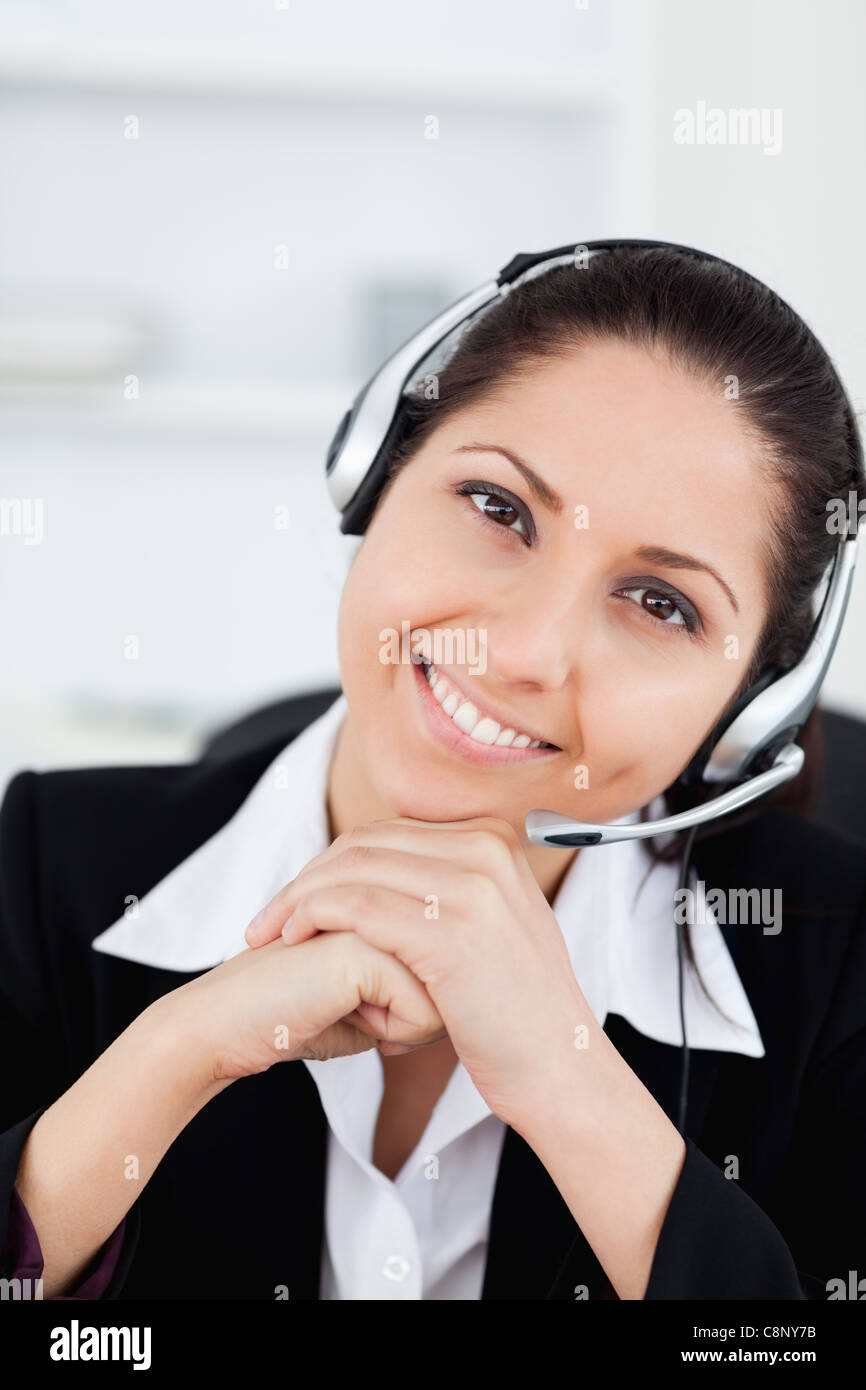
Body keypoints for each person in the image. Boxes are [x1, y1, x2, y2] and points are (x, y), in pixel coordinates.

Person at [1, 245, 865, 1301]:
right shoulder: (44, 864)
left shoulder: (836, 969)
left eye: (658, 602)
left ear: (747, 709)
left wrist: (566, 1081)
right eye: (499, 509)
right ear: (374, 475)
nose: (524, 652)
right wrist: (175, 1054)